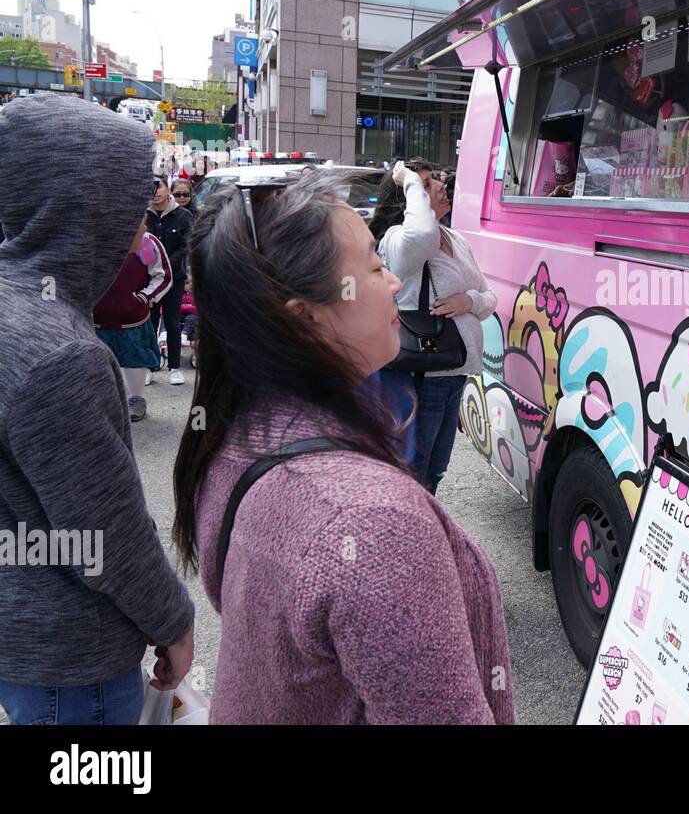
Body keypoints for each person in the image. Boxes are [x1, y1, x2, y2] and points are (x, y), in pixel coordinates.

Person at [172, 172, 513, 724]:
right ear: (305, 317)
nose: (393, 285)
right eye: (375, 268)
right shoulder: (371, 521)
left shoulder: (235, 434)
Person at [0, 92, 195, 725]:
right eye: (130, 209)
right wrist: (175, 621)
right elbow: (106, 533)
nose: (138, 229)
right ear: (89, 211)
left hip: (23, 639)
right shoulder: (58, 353)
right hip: (71, 661)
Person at [372, 158, 497, 496]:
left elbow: (490, 297)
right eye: (427, 183)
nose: (441, 185)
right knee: (415, 472)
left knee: (436, 470)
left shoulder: (454, 238)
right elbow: (422, 232)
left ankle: (423, 533)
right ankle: (408, 538)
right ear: (408, 199)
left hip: (455, 371)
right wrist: (410, 180)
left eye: (432, 179)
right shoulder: (399, 240)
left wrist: (469, 301)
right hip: (423, 376)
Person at [93, 218, 173, 422]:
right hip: (94, 318)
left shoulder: (146, 241)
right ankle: (103, 402)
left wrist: (143, 297)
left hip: (132, 316)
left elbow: (163, 276)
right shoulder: (90, 236)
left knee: (133, 358)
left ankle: (136, 399)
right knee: (97, 361)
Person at [147, 176, 194, 383]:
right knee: (149, 322)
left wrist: (165, 265)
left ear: (168, 190)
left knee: (173, 322)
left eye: (160, 187)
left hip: (175, 278)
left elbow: (187, 246)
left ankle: (174, 367)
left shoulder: (183, 216)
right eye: (152, 188)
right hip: (148, 279)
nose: (156, 192)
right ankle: (149, 365)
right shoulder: (143, 216)